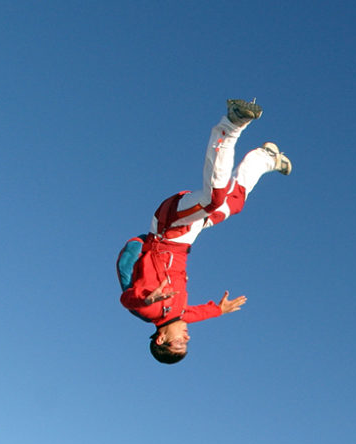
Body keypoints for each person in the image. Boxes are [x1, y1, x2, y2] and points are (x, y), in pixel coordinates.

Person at [117, 99, 292, 364]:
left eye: (179, 344)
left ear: (161, 339)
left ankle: (231, 124)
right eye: (187, 344)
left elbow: (127, 299)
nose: (186, 339)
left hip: (168, 231)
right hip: (186, 237)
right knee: (231, 205)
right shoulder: (178, 314)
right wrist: (219, 310)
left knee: (214, 198)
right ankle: (265, 158)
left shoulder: (151, 310)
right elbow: (196, 314)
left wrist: (145, 297)